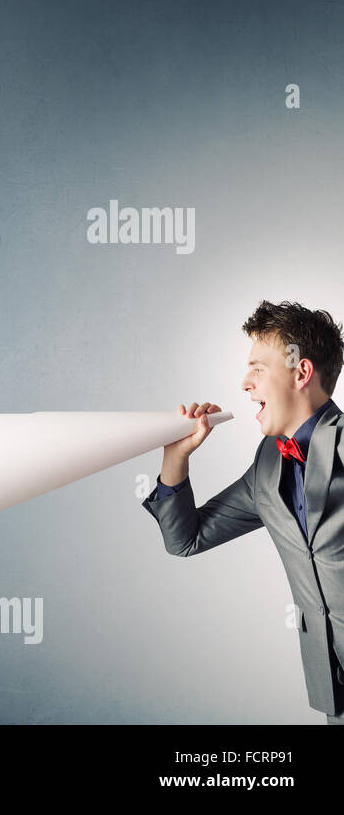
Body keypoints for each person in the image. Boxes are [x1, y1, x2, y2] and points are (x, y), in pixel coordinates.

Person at [142, 299, 344, 722]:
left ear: (301, 372)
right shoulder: (267, 466)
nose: (244, 384)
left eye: (258, 368)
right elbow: (185, 540)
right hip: (334, 691)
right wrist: (176, 457)